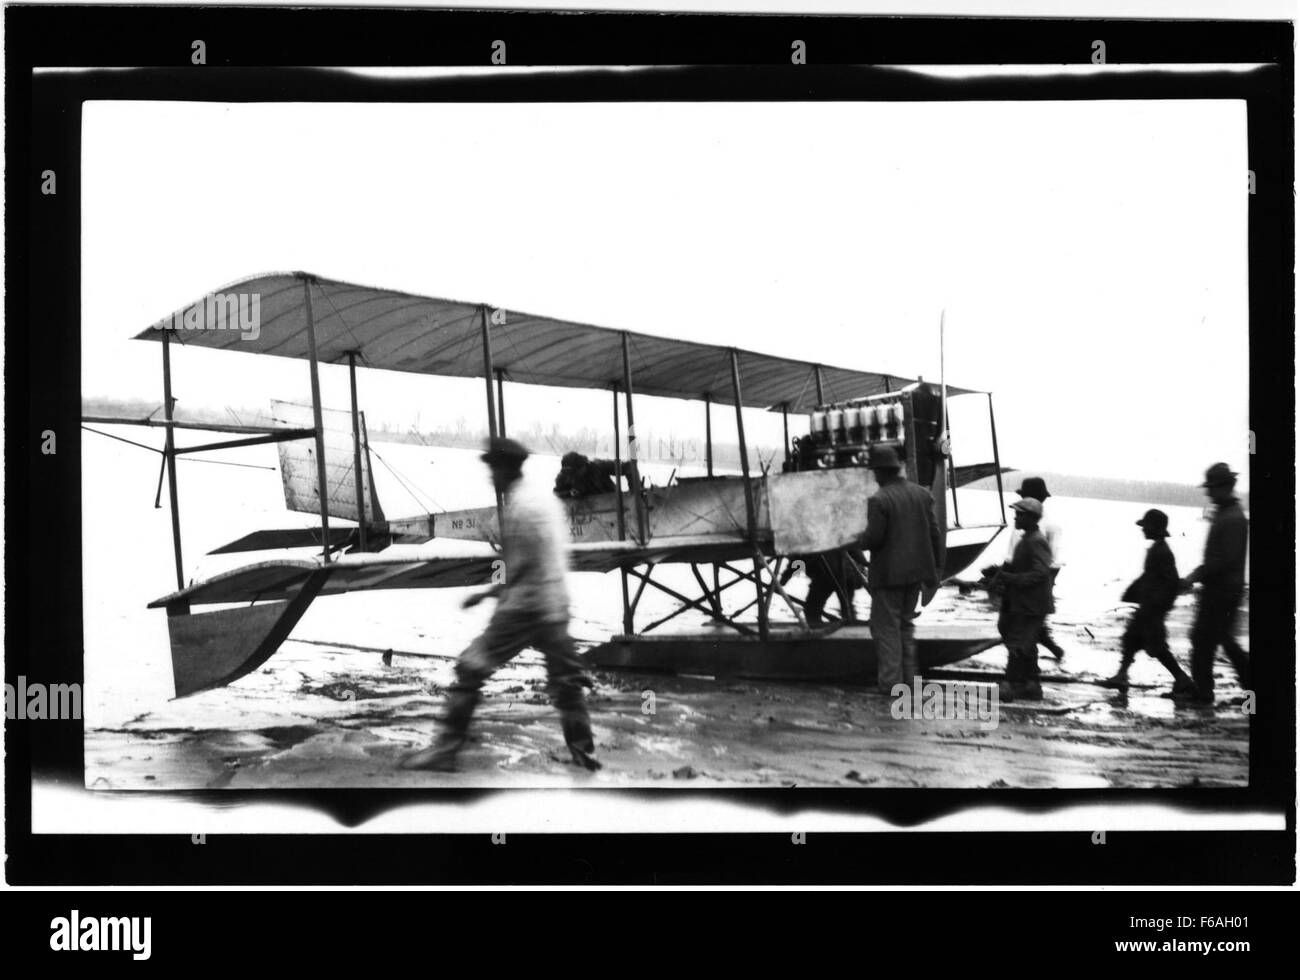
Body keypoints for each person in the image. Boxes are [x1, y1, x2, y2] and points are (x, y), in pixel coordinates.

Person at [401, 437, 601, 772]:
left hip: (525, 608)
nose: (490, 476)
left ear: (504, 469)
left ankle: (446, 750)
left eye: (492, 469)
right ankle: (583, 753)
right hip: (556, 604)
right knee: (566, 682)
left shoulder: (519, 508)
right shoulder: (545, 502)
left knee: (470, 668)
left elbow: (516, 568)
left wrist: (484, 593)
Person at [860, 444, 942, 694]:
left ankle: (890, 685)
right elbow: (935, 534)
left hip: (888, 577)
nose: (874, 476)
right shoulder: (922, 494)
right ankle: (910, 682)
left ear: (881, 472)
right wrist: (935, 570)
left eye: (875, 471)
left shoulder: (879, 499)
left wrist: (856, 539)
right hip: (916, 575)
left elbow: (874, 539)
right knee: (906, 628)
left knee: (886, 630)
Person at [1100, 509, 1196, 696]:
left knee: (1157, 647)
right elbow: (1150, 577)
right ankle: (1122, 675)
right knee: (1131, 639)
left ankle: (1183, 680)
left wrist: (1156, 606)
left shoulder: (1162, 552)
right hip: (1149, 606)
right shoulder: (1156, 549)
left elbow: (1170, 582)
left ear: (1153, 529)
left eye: (1145, 527)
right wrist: (1134, 591)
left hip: (1153, 609)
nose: (1143, 530)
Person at [1180, 462, 1250, 703]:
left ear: (1225, 487)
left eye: (1211, 488)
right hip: (1222, 589)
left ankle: (1204, 693)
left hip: (1223, 591)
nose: (1208, 493)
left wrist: (1193, 577)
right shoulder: (1226, 514)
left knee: (1203, 640)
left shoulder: (1231, 518)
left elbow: (1222, 561)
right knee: (1220, 640)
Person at [990, 498, 1054, 701]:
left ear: (1031, 518)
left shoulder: (1036, 541)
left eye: (1019, 514)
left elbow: (1041, 573)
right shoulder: (1027, 539)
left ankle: (1010, 685)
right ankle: (1031, 685)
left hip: (1032, 605)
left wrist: (1010, 578)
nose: (1016, 517)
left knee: (1018, 642)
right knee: (1025, 642)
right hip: (1026, 603)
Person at [997, 476, 1066, 660]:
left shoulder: (1027, 524)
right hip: (1031, 584)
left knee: (1015, 629)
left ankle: (1024, 675)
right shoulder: (1030, 522)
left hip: (1026, 585)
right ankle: (1034, 663)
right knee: (1025, 629)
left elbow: (1014, 560)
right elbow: (1054, 562)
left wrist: (1005, 580)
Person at [780, 547, 868, 626]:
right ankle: (849, 626)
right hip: (845, 575)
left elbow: (797, 560)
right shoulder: (842, 534)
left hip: (826, 575)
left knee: (812, 609)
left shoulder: (809, 539)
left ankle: (816, 630)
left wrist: (783, 579)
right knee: (847, 607)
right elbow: (859, 555)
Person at [554, 451, 627, 498]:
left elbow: (629, 466)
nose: (573, 475)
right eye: (569, 473)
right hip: (587, 509)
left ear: (583, 466)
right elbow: (557, 492)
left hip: (610, 501)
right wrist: (570, 493)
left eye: (575, 472)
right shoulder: (563, 476)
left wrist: (634, 489)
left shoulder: (600, 466)